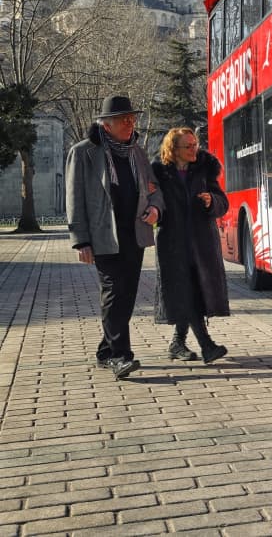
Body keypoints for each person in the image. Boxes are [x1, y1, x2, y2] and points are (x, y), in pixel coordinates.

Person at [66, 95, 164, 380]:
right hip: (103, 236)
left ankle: (105, 350)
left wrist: (156, 207)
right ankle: (121, 355)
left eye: (132, 119)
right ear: (105, 125)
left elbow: (154, 188)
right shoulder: (84, 152)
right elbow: (75, 199)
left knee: (128, 295)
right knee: (113, 292)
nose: (130, 123)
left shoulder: (138, 152)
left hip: (135, 234)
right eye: (124, 119)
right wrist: (80, 240)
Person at [152, 127, 230, 364]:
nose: (194, 149)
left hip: (201, 243)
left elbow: (222, 203)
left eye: (195, 144)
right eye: (188, 146)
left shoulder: (205, 169)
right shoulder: (160, 173)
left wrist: (211, 201)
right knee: (185, 291)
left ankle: (179, 343)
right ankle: (206, 346)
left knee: (193, 290)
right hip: (173, 244)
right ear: (173, 149)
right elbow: (153, 201)